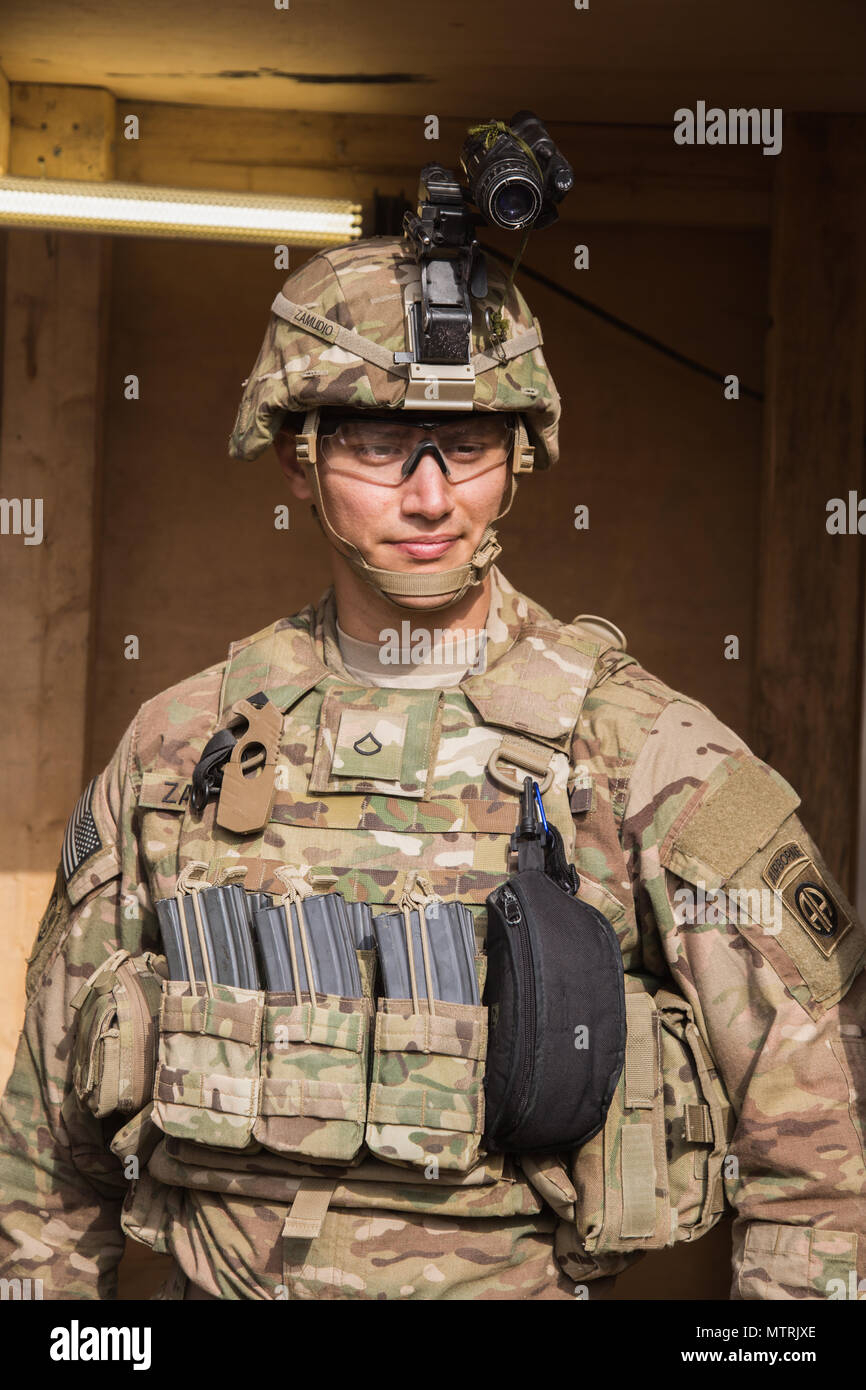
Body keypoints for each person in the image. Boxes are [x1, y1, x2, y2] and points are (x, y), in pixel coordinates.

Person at [0, 234, 863, 1302]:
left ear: (520, 459)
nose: (427, 496)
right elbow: (47, 1157)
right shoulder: (179, 745)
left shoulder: (652, 758)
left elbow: (820, 1164)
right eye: (376, 442)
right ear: (297, 457)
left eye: (464, 444)